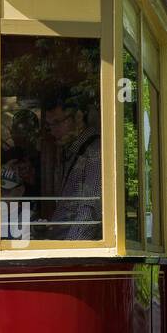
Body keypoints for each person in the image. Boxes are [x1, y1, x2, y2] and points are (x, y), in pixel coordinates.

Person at [43, 96, 101, 241]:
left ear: (79, 116)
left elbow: (89, 209)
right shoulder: (71, 151)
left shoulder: (94, 151)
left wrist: (71, 247)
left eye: (57, 123)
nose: (53, 131)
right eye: (49, 125)